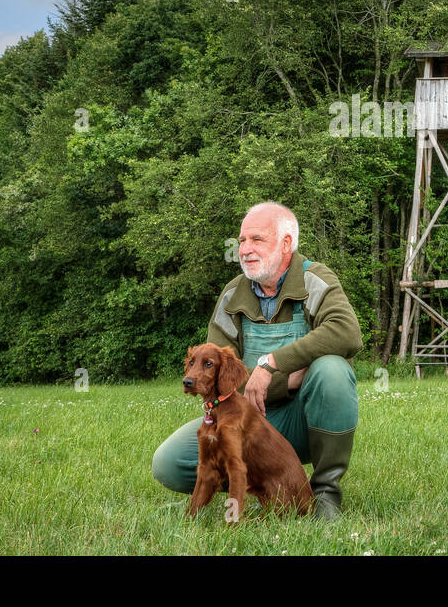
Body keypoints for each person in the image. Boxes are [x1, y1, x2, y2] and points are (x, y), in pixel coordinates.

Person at [152, 202, 361, 520]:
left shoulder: (314, 279)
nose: (244, 249)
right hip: (247, 423)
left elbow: (346, 333)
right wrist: (292, 376)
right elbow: (215, 378)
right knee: (169, 462)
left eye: (257, 239)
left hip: (304, 421)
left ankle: (326, 495)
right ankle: (260, 485)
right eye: (242, 241)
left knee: (331, 370)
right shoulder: (232, 294)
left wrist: (272, 365)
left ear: (287, 243)